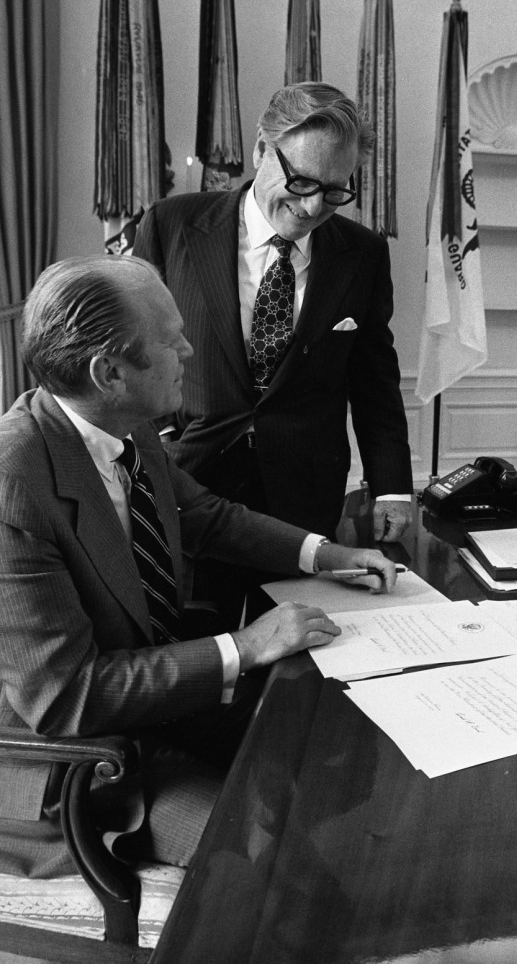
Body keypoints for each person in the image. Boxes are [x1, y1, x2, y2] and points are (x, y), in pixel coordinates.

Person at [0, 254, 398, 879]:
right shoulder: (13, 483)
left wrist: (328, 554)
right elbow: (64, 698)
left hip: (155, 703)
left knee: (339, 746)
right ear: (110, 372)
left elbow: (206, 516)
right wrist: (245, 646)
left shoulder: (124, 427)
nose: (189, 348)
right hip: (81, 760)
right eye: (169, 338)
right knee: (278, 851)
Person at [132, 82, 413, 553]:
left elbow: (375, 382)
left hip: (305, 494)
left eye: (334, 191)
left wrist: (392, 488)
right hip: (189, 482)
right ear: (263, 148)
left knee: (304, 624)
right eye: (301, 182)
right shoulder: (171, 225)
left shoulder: (361, 254)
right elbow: (137, 346)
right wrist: (159, 443)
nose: (311, 207)